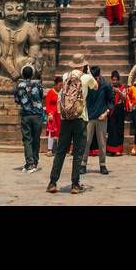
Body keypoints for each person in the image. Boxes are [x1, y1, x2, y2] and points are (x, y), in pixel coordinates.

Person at [47, 56, 96, 194]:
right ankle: (75, 184)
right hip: (80, 117)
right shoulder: (86, 77)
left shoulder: (65, 76)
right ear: (83, 65)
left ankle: (52, 182)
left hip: (65, 117)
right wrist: (89, 72)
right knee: (78, 152)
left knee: (61, 151)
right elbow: (95, 87)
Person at [15, 64, 45, 172]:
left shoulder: (19, 86)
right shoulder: (38, 85)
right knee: (36, 139)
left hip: (26, 115)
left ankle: (30, 162)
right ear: (32, 74)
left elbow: (17, 100)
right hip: (37, 115)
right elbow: (41, 97)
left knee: (27, 139)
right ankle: (34, 162)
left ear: (22, 74)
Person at [84, 64, 113, 175]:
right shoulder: (87, 84)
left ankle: (102, 165)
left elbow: (111, 101)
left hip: (102, 117)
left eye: (96, 78)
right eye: (93, 78)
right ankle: (83, 164)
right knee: (86, 142)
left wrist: (106, 113)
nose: (95, 80)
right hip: (89, 117)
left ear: (99, 76)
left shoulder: (106, 85)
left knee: (102, 143)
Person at [106, 71, 127, 156]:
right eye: (113, 80)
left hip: (120, 110)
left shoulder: (122, 88)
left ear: (118, 80)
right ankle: (111, 149)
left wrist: (118, 92)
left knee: (119, 130)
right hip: (111, 110)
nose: (114, 81)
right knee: (111, 130)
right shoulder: (109, 88)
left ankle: (118, 150)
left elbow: (125, 98)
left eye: (116, 80)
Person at [45, 75, 62, 155]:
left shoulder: (62, 93)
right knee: (51, 133)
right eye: (59, 85)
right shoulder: (50, 92)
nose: (60, 87)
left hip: (60, 114)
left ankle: (59, 149)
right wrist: (49, 114)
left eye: (62, 85)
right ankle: (49, 149)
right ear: (55, 85)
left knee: (60, 132)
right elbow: (47, 105)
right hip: (52, 115)